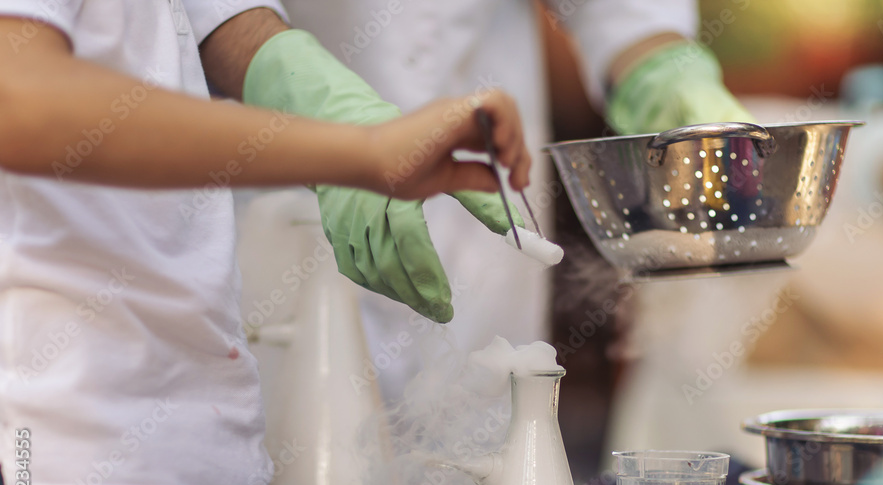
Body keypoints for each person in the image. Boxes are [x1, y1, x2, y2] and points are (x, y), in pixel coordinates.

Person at [0, 3, 529, 485]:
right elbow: (17, 97)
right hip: (83, 476)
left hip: (174, 484)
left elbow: (215, 17)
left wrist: (342, 108)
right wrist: (360, 153)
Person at [277, 0, 754, 403]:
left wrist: (657, 69)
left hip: (489, 206)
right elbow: (219, 17)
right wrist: (300, 93)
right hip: (285, 177)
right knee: (306, 447)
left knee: (484, 453)